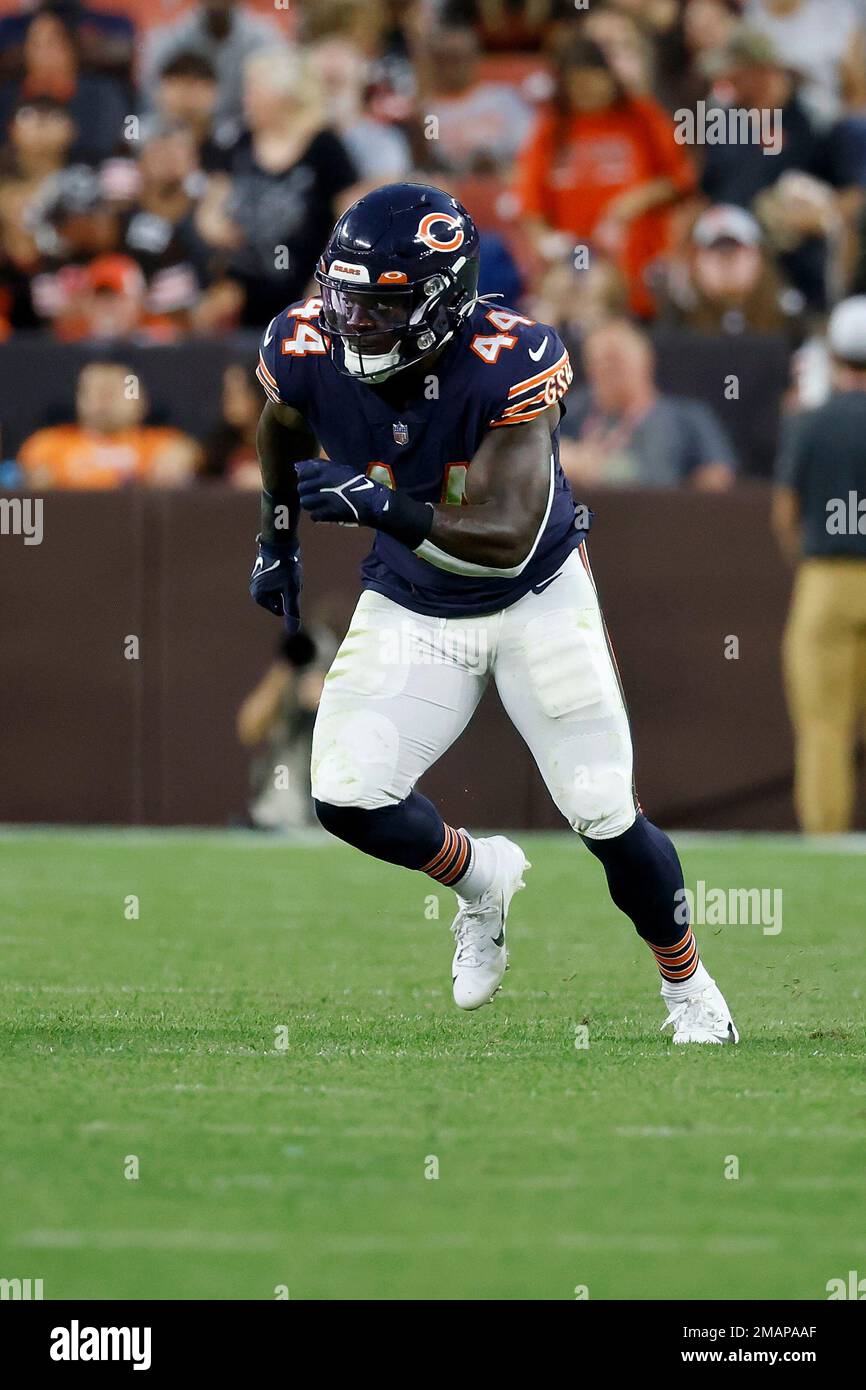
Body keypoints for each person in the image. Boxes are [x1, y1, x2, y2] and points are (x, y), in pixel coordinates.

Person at [248, 182, 739, 1042]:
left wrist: (376, 504)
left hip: (534, 597)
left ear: (439, 304)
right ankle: (481, 880)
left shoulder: (509, 357)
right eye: (344, 298)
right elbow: (283, 422)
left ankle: (690, 988)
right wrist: (277, 539)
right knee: (345, 793)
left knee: (601, 809)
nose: (350, 322)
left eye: (377, 307)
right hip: (413, 603)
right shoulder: (303, 341)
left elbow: (506, 536)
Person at [514, 36, 696, 318]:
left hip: (639, 271)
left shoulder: (642, 116)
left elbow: (681, 179)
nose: (586, 92)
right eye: (577, 85)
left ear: (610, 77)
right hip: (578, 277)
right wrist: (547, 244)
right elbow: (530, 204)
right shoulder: (550, 128)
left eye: (593, 81)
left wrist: (636, 200)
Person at [772, 296, 866, 833]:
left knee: (825, 726)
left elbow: (786, 511)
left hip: (825, 581)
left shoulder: (811, 421)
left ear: (835, 356)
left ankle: (828, 840)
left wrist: (808, 564)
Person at [195, 47, 358, 328]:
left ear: (283, 97)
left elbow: (350, 218)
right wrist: (215, 226)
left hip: (307, 287)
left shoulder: (324, 146)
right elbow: (211, 208)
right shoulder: (240, 143)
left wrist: (327, 283)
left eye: (253, 91)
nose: (245, 100)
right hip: (243, 289)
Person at [561, 318, 738, 489]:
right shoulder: (575, 411)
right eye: (598, 363)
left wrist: (601, 470)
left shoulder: (686, 416)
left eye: (617, 361)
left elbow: (719, 474)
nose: (608, 370)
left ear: (646, 360)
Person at [18, 360, 200, 488]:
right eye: (95, 390)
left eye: (114, 390)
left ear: (141, 400)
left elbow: (192, 455)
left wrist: (185, 457)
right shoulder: (50, 445)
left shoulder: (163, 445)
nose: (104, 399)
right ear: (79, 399)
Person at [141, 0, 284, 123]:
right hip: (182, 137)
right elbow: (150, 109)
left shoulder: (265, 40)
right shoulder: (167, 41)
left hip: (246, 140)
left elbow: (277, 102)